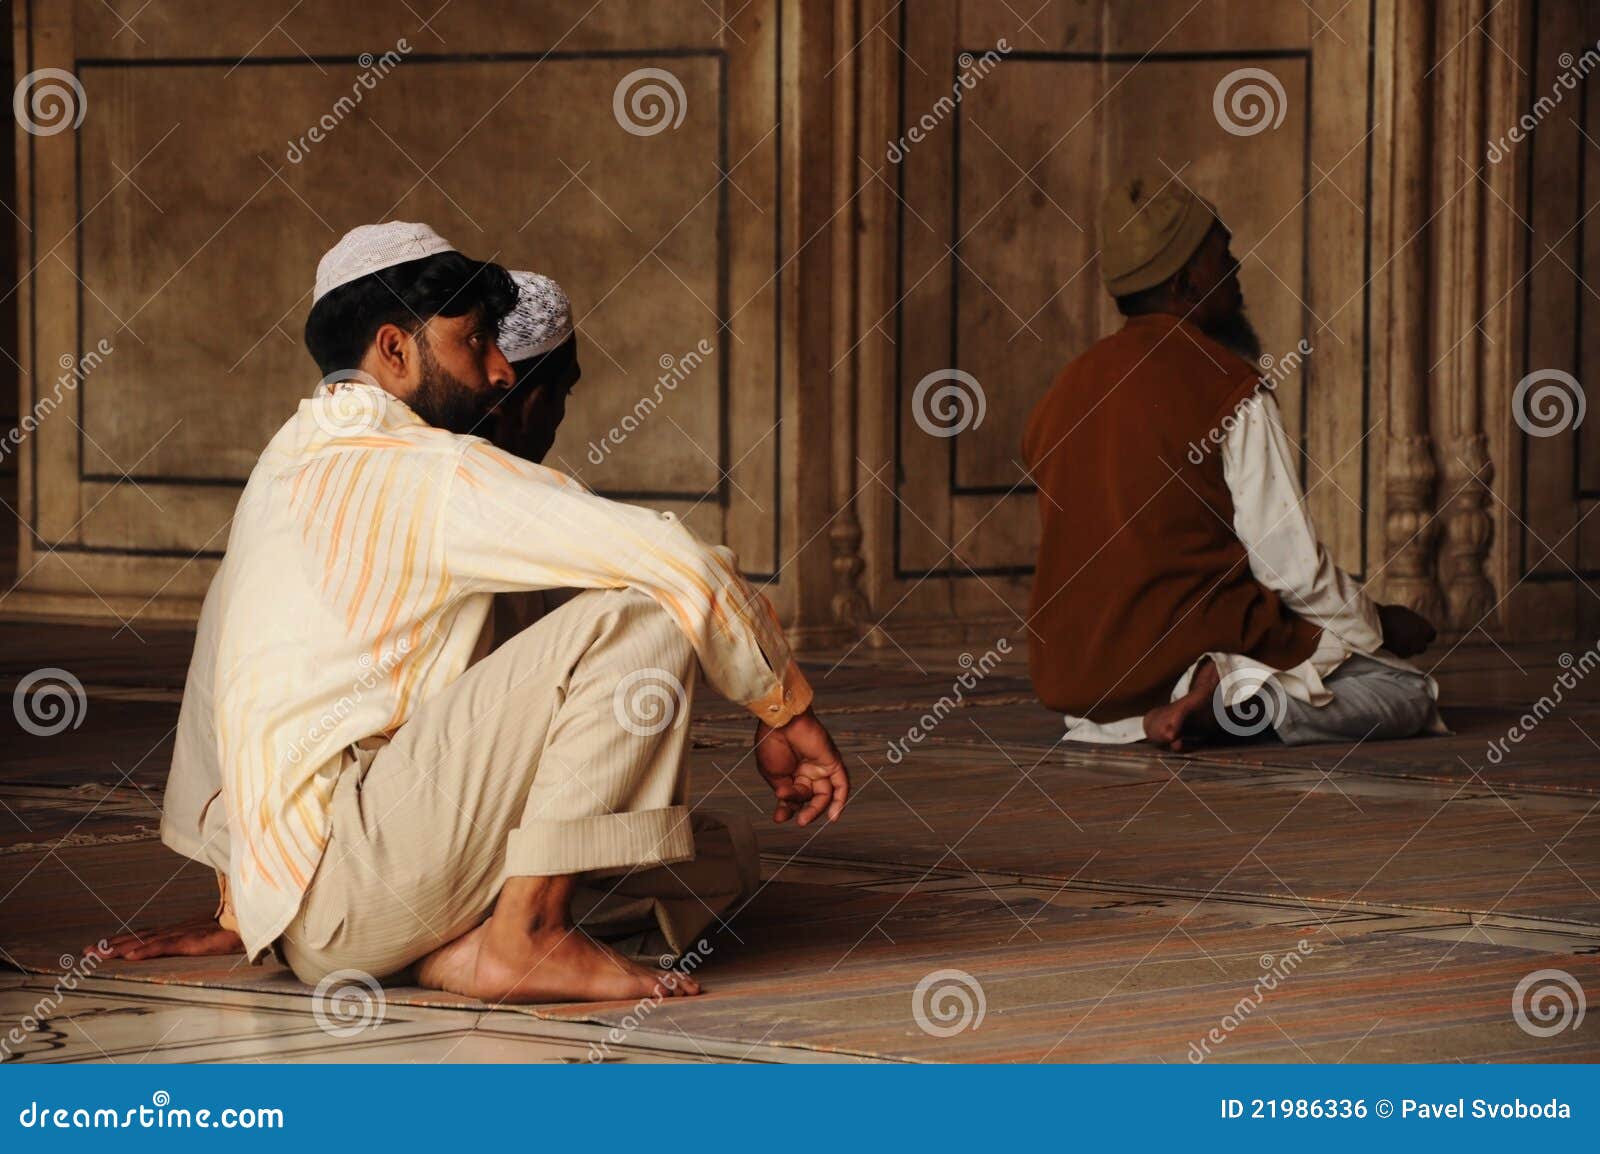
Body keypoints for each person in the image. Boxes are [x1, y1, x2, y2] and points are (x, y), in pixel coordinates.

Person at [99, 223, 848, 1003]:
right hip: (360, 867)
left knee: (714, 851)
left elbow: (230, 705)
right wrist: (784, 707)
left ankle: (445, 949)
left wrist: (250, 898)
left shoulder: (286, 464)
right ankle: (527, 937)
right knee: (647, 612)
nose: (498, 373)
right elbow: (680, 561)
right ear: (395, 349)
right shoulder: (436, 474)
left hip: (311, 906)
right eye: (476, 342)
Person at [1023, 175, 1444, 752]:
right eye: (1223, 257)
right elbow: (1289, 569)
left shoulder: (1063, 391)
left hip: (1080, 685)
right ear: (1187, 282)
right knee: (1408, 692)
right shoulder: (1227, 386)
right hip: (1184, 647)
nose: (1237, 271)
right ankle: (1221, 707)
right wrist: (1376, 625)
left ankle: (1166, 711)